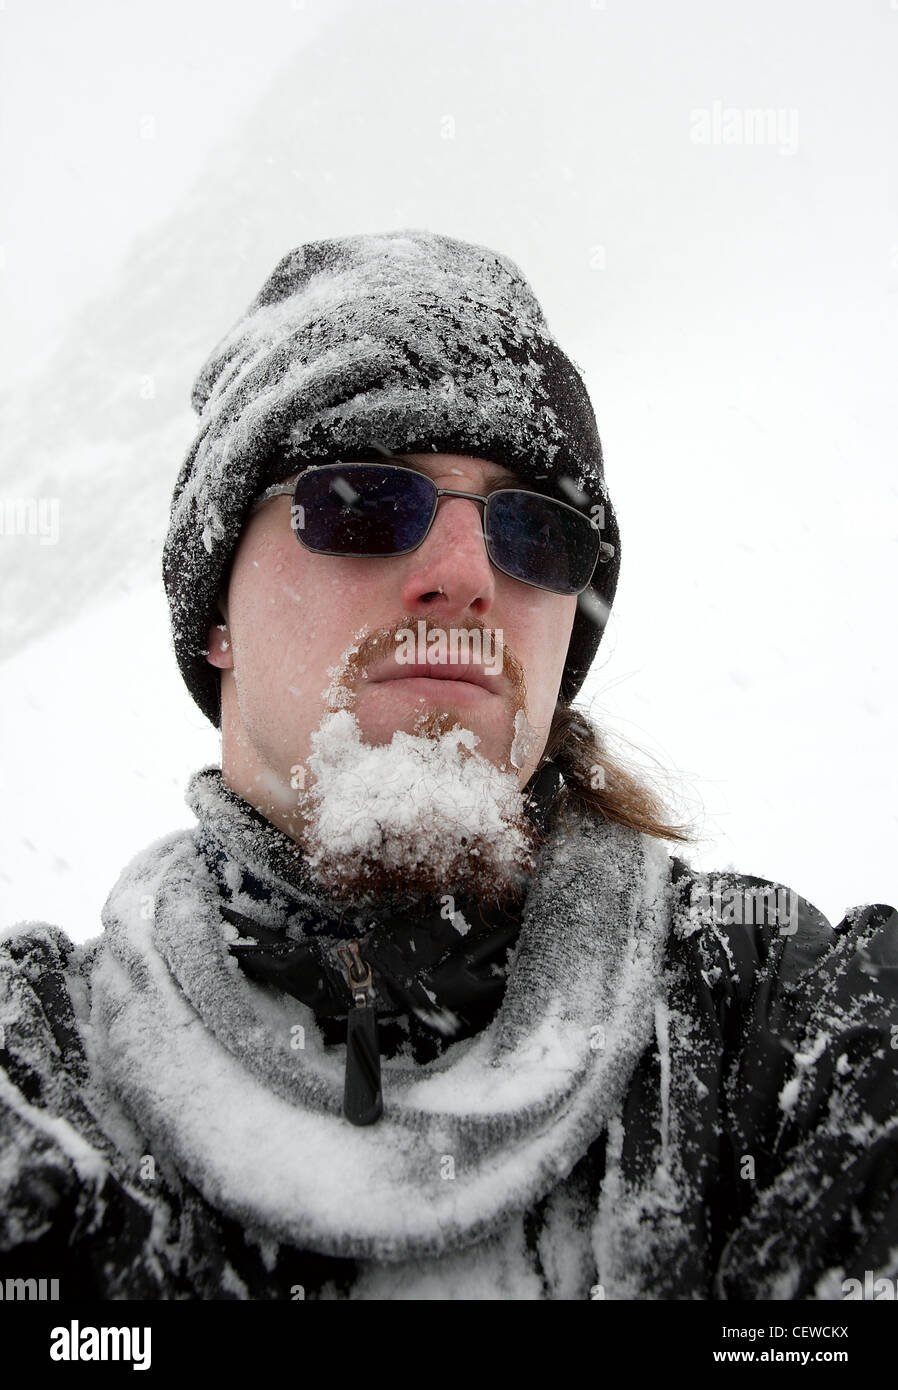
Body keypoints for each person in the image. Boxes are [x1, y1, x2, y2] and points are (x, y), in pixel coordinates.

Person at [1, 230, 896, 1302]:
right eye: (365, 501)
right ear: (214, 617)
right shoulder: (42, 1068)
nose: (465, 574)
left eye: (537, 532)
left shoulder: (782, 1023)